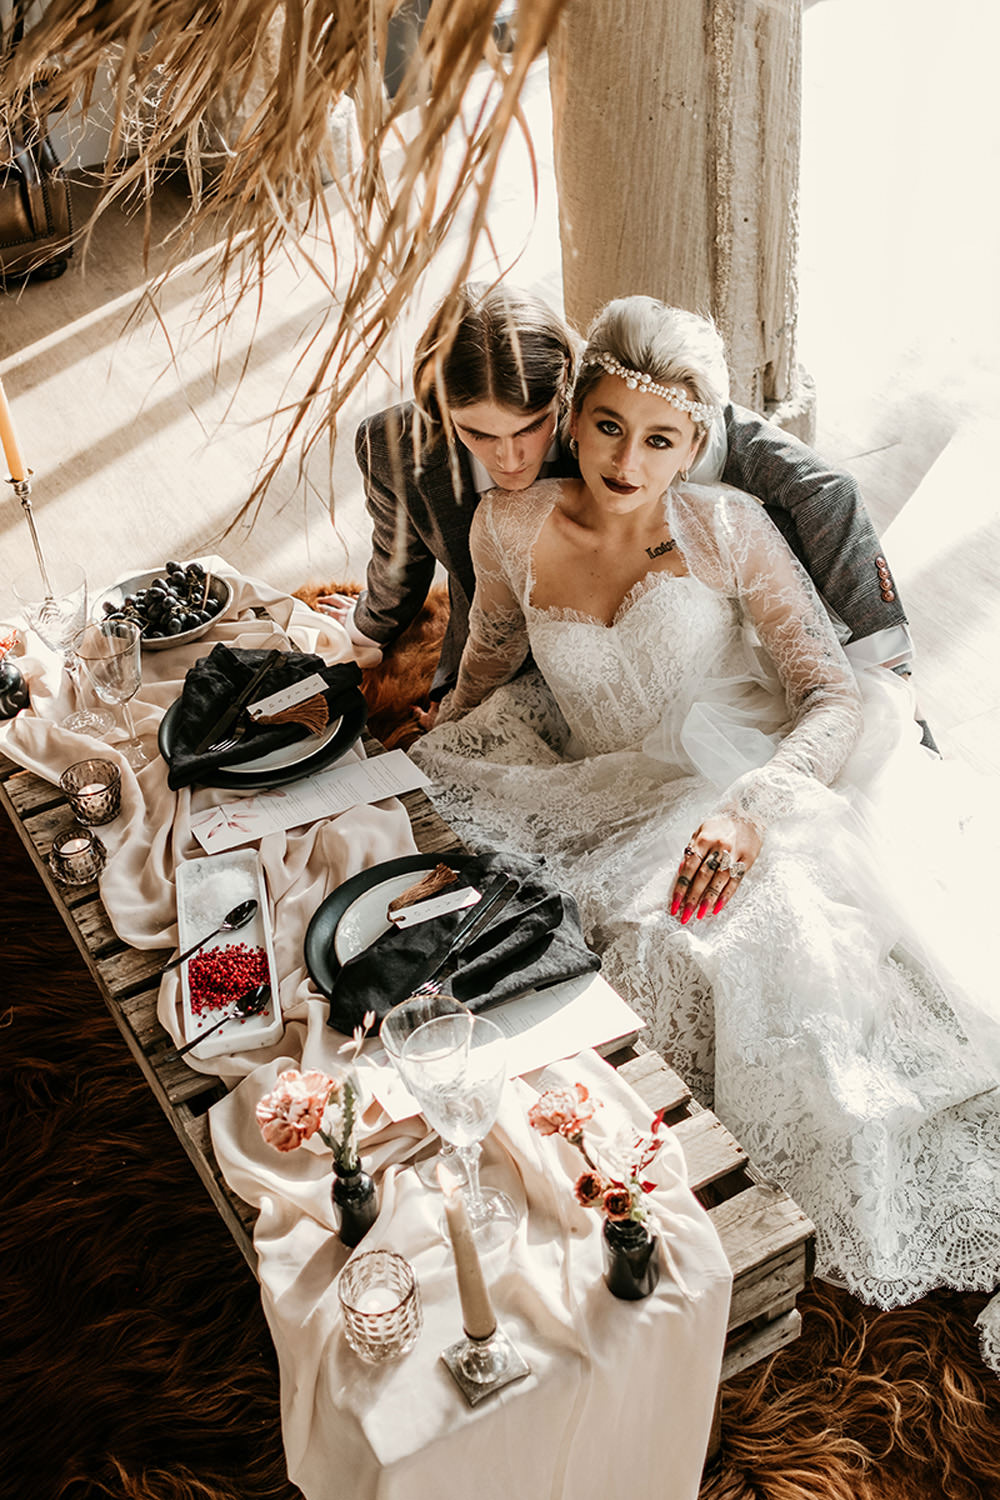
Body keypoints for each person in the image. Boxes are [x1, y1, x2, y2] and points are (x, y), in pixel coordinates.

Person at [408, 296, 1000, 1363]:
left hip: (737, 784)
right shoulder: (508, 526)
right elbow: (491, 649)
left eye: (660, 440)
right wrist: (437, 731)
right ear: (575, 414)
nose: (625, 462)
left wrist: (751, 810)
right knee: (555, 945)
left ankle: (778, 1208)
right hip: (599, 788)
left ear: (693, 447)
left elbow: (831, 693)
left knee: (762, 959)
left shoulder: (726, 526)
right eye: (607, 427)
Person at [321, 282, 915, 727]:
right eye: (478, 434)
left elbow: (825, 488)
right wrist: (366, 631)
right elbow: (397, 560)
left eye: (531, 427)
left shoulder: (618, 395)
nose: (509, 459)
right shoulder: (391, 445)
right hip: (500, 671)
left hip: (674, 685)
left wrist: (887, 667)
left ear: (567, 398)